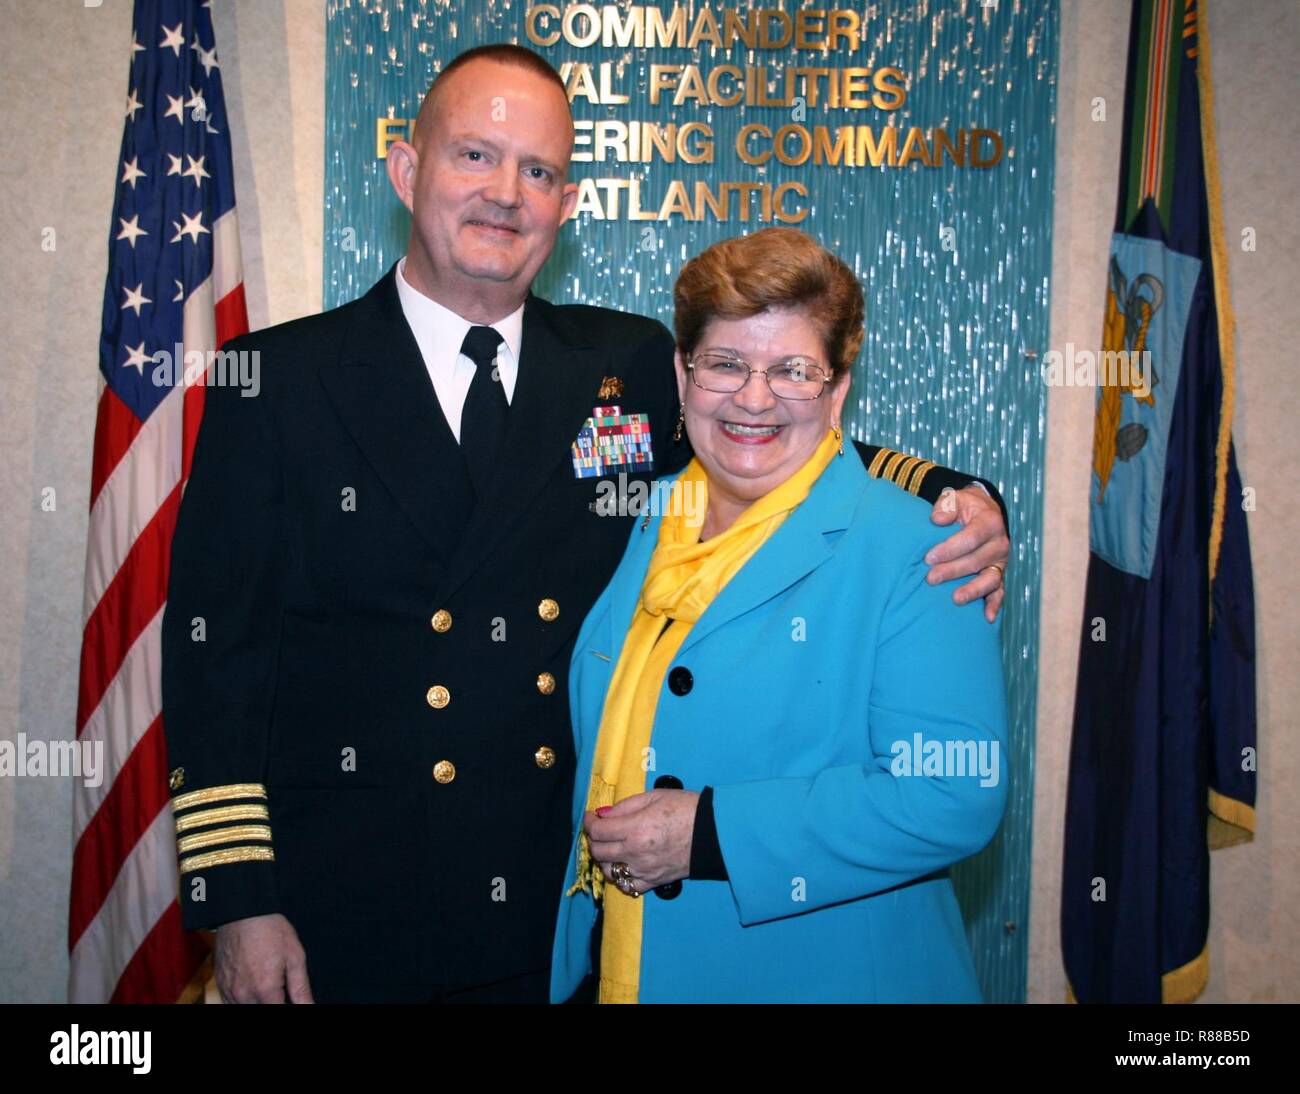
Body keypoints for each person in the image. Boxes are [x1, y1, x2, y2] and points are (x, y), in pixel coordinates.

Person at [162, 44, 1009, 1004]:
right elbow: (214, 663)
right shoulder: (275, 380)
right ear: (406, 170)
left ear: (567, 205)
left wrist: (953, 490)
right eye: (474, 156)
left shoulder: (624, 361)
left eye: (540, 171)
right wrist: (238, 902)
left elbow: (772, 442)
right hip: (350, 912)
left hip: (564, 913)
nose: (506, 195)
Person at [552, 227, 1009, 1003]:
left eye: (793, 371)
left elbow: (953, 793)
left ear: (837, 391)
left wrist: (707, 834)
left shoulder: (914, 543)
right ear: (683, 374)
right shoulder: (645, 516)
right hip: (632, 966)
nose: (753, 398)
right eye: (725, 364)